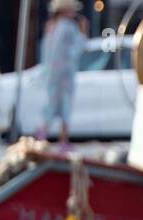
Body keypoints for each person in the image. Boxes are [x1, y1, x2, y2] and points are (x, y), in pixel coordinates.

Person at [38, 0, 88, 147]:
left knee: (51, 106)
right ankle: (63, 141)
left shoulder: (51, 27)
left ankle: (42, 136)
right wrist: (83, 33)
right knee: (65, 107)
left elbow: (45, 53)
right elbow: (75, 50)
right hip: (65, 75)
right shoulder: (69, 28)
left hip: (51, 74)